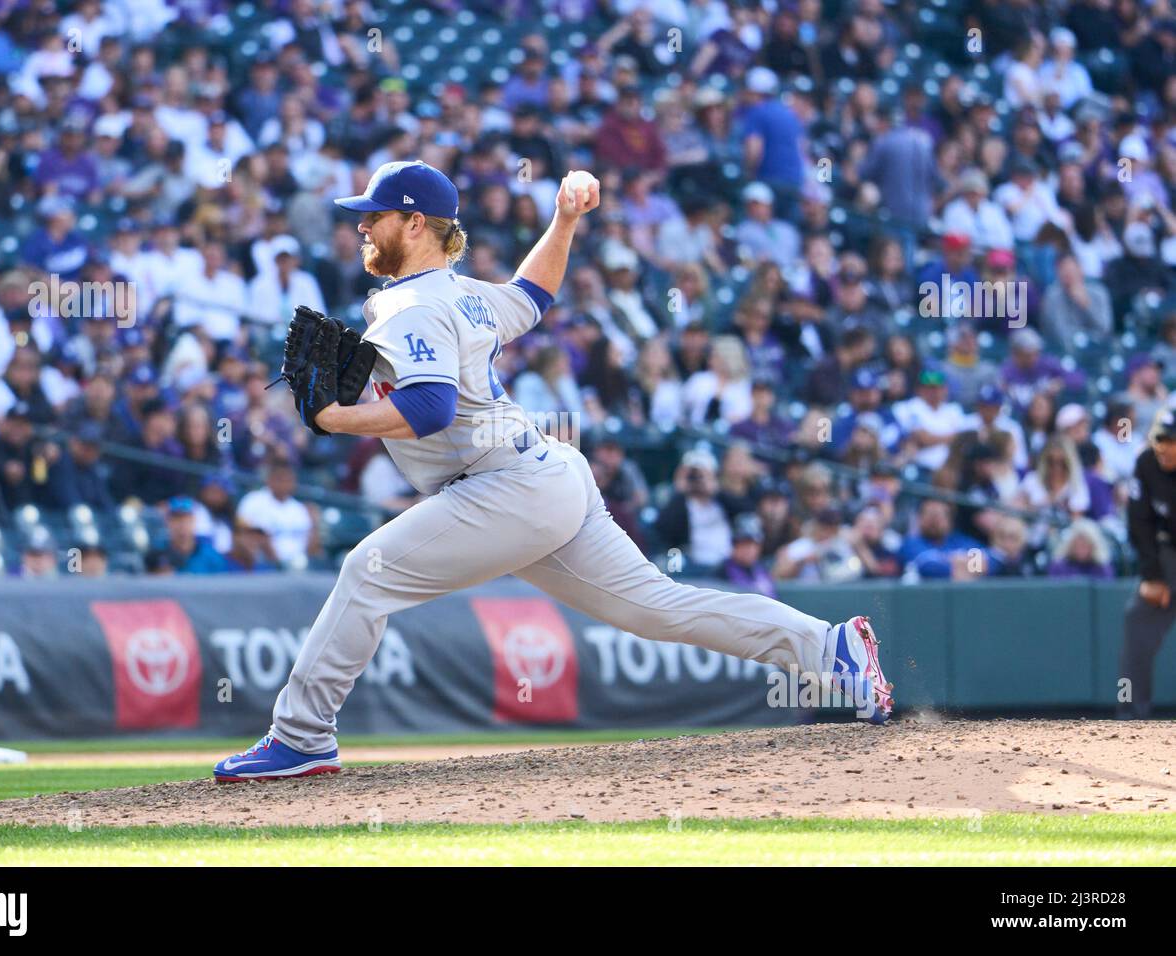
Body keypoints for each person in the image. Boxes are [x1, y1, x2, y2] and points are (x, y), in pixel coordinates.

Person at [215, 161, 893, 781]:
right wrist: (565, 221)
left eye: (375, 214)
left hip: (503, 486)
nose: (361, 224)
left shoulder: (409, 305)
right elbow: (535, 292)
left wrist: (335, 420)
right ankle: (829, 652)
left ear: (415, 223)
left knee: (369, 572)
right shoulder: (461, 295)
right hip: (542, 478)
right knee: (660, 607)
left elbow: (427, 407)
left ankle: (301, 736)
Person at [1120, 409, 1176, 719]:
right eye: (1159, 439)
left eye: (1171, 440)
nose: (1163, 447)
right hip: (1168, 555)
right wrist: (1152, 576)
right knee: (1136, 619)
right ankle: (1131, 715)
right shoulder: (1145, 463)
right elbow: (1140, 525)